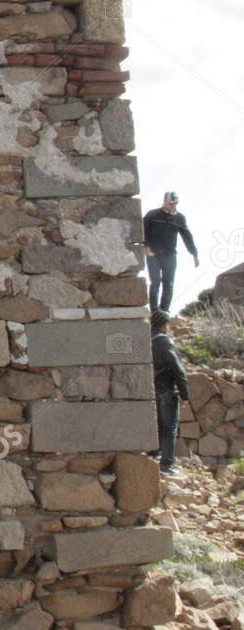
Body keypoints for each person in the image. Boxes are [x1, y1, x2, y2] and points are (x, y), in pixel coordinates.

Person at [144, 191, 198, 313]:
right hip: (153, 255)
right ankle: (154, 311)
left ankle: (164, 311)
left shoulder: (180, 218)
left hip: (170, 255)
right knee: (155, 282)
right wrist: (145, 246)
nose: (173, 206)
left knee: (169, 284)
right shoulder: (152, 215)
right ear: (164, 201)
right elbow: (141, 230)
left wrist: (194, 253)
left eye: (175, 204)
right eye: (170, 203)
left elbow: (187, 236)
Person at [151, 310, 189, 473]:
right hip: (167, 390)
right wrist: (185, 393)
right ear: (165, 324)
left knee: (160, 425)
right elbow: (177, 368)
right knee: (170, 427)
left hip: (154, 391)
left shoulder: (148, 340)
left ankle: (156, 456)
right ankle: (167, 464)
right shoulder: (164, 341)